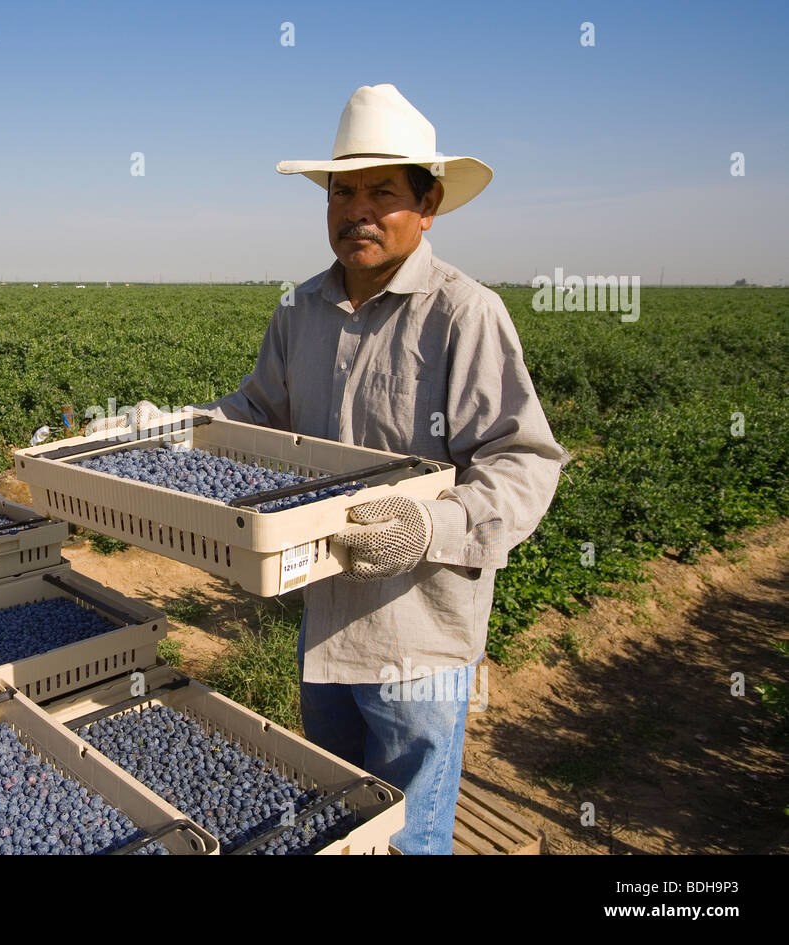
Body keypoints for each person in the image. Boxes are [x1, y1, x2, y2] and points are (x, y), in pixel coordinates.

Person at [192, 84, 571, 854]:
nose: (356, 209)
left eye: (382, 193)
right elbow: (259, 415)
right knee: (335, 811)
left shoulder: (464, 313)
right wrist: (170, 431)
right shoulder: (299, 310)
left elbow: (522, 461)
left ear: (427, 205)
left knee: (405, 831)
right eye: (342, 190)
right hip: (324, 613)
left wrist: (429, 522)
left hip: (418, 631)